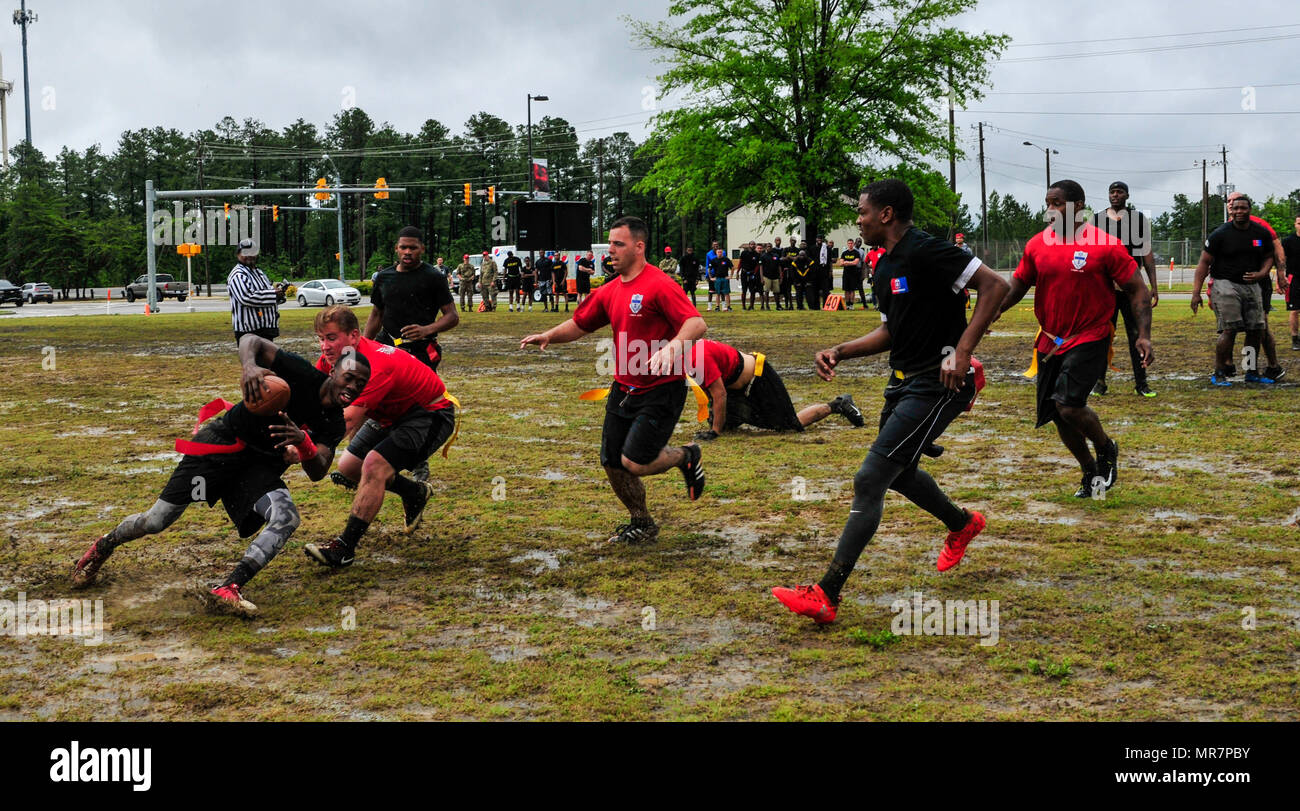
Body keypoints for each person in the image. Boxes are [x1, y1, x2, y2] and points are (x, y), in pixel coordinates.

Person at [772, 178, 1008, 625]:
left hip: (938, 384)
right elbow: (890, 332)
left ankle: (827, 593)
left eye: (862, 213)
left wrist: (961, 352)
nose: (857, 221)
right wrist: (840, 350)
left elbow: (995, 286)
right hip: (901, 384)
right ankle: (961, 524)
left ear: (885, 214)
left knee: (871, 477)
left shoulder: (926, 250)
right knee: (897, 475)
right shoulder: (881, 267)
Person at [71, 334, 370, 616]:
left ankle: (229, 587)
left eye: (361, 383)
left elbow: (319, 470)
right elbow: (251, 340)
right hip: (220, 445)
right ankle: (105, 545)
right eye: (349, 377)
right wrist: (250, 367)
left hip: (257, 468)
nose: (354, 387)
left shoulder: (333, 422)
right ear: (333, 371)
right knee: (157, 520)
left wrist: (302, 444)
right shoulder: (301, 372)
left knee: (286, 517)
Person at [520, 216, 707, 544]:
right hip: (624, 388)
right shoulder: (610, 290)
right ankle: (642, 521)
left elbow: (696, 323)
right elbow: (580, 324)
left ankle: (686, 455)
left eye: (618, 245)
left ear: (639, 247)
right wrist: (549, 335)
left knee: (634, 461)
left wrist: (673, 349)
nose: (611, 251)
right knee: (611, 461)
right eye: (609, 245)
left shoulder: (659, 283)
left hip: (661, 388)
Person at [1000, 179, 1152, 498]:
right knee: (1057, 414)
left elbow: (1137, 289)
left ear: (1078, 206)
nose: (1050, 210)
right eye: (1047, 203)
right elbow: (1017, 285)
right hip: (1050, 340)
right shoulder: (1036, 245)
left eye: (1057, 203)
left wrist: (1143, 336)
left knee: (1068, 406)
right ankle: (1089, 469)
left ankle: (1106, 447)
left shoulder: (1105, 244)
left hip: (1090, 335)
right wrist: (992, 311)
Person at [305, 306, 458, 568]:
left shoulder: (372, 365)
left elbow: (348, 419)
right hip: (392, 415)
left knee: (373, 465)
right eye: (320, 338)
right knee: (349, 466)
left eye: (331, 338)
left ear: (354, 336)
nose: (324, 346)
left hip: (430, 414)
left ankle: (345, 548)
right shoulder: (334, 361)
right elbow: (316, 402)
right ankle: (414, 492)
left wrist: (304, 443)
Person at [688, 338, 864, 440]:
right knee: (725, 426)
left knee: (789, 426)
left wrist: (714, 432)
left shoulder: (698, 357)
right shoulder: (682, 355)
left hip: (758, 377)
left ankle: (838, 404)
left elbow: (719, 394)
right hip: (735, 386)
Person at [1192, 194, 1278, 385]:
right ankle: (1220, 372)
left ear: (1250, 210)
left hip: (1252, 284)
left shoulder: (1260, 233)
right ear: (1231, 211)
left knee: (1255, 330)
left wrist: (1262, 273)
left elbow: (1269, 256)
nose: (1239, 212)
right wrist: (1196, 293)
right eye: (1235, 208)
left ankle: (1251, 371)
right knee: (1229, 329)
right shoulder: (1220, 234)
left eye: (1243, 208)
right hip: (1225, 283)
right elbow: (1204, 263)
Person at [1091, 181, 1160, 397]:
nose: (1115, 195)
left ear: (1127, 195)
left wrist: (1153, 286)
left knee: (1137, 336)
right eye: (1112, 192)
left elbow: (1146, 253)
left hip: (1131, 287)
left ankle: (1142, 384)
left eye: (1119, 192)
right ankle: (1099, 383)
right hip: (1106, 289)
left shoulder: (1138, 219)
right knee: (1103, 336)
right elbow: (1092, 251)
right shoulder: (1098, 219)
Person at [366, 226, 458, 374]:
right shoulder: (383, 277)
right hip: (387, 346)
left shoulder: (434, 277)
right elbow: (377, 313)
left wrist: (426, 330)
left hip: (421, 351)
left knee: (420, 395)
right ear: (397, 248)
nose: (407, 252)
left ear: (422, 248)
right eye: (403, 247)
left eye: (413, 248)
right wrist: (365, 345)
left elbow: (452, 316)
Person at [1226, 191, 1286, 381]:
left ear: (1248, 208)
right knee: (1229, 327)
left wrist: (1281, 274)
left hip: (1259, 283)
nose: (1232, 205)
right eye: (1229, 202)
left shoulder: (1260, 227)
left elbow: (1275, 250)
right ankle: (1227, 366)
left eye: (1237, 203)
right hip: (1233, 284)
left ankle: (1267, 367)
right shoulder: (1225, 229)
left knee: (1259, 327)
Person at [228, 238, 285, 344]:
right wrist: (273, 294)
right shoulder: (238, 274)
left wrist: (279, 293)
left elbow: (266, 294)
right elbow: (246, 297)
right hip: (249, 331)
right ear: (238, 254)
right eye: (245, 252)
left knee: (268, 360)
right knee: (254, 360)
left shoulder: (258, 272)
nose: (250, 255)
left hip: (265, 328)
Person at [1283, 216, 1300, 349]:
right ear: (1295, 224)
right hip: (1294, 279)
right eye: (1299, 223)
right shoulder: (1288, 241)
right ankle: (1295, 338)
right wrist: (1280, 280)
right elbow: (1282, 261)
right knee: (1294, 310)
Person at [839, 241, 863, 310]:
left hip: (853, 274)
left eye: (851, 243)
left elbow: (855, 263)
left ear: (853, 244)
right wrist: (849, 262)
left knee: (852, 290)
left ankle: (852, 305)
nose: (850, 244)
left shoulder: (856, 253)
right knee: (846, 290)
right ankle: (847, 304)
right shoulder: (844, 253)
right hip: (846, 274)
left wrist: (846, 262)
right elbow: (840, 263)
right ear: (847, 244)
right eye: (849, 243)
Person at [709, 247, 733, 312]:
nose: (719, 253)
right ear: (716, 253)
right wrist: (711, 277)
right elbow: (709, 269)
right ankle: (717, 307)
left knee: (726, 293)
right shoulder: (713, 260)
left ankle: (728, 307)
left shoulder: (726, 259)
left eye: (720, 252)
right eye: (718, 252)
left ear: (722, 253)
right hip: (717, 279)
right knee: (717, 293)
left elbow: (732, 267)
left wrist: (730, 276)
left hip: (725, 278)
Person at [739, 241, 761, 310]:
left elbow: (758, 265)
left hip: (752, 274)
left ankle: (751, 306)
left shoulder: (757, 254)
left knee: (752, 291)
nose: (753, 245)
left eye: (754, 244)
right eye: (751, 244)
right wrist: (737, 272)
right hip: (744, 273)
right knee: (744, 290)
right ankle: (743, 306)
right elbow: (740, 263)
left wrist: (755, 273)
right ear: (749, 245)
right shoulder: (744, 253)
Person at [760, 241, 781, 310]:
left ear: (772, 248)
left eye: (770, 246)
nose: (769, 248)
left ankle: (778, 306)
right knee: (766, 292)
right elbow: (761, 267)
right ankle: (767, 306)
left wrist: (780, 276)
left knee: (776, 292)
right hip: (766, 276)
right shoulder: (763, 256)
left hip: (775, 276)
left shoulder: (776, 256)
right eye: (768, 246)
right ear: (766, 248)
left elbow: (779, 266)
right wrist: (762, 278)